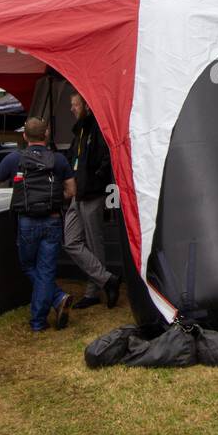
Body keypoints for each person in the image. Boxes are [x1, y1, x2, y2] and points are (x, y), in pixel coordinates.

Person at [0, 117, 76, 331]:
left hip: (26, 221)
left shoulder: (14, 159)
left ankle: (42, 317)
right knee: (46, 269)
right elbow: (71, 191)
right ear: (46, 135)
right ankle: (54, 302)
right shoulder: (59, 160)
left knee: (28, 266)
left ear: (24, 136)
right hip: (53, 219)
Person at [64, 92, 121, 310]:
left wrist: (95, 180)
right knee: (71, 241)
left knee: (94, 243)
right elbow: (72, 157)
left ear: (86, 105)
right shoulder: (78, 131)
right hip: (78, 194)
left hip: (92, 194)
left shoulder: (97, 128)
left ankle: (92, 292)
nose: (72, 109)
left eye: (75, 104)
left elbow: (107, 159)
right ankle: (108, 280)